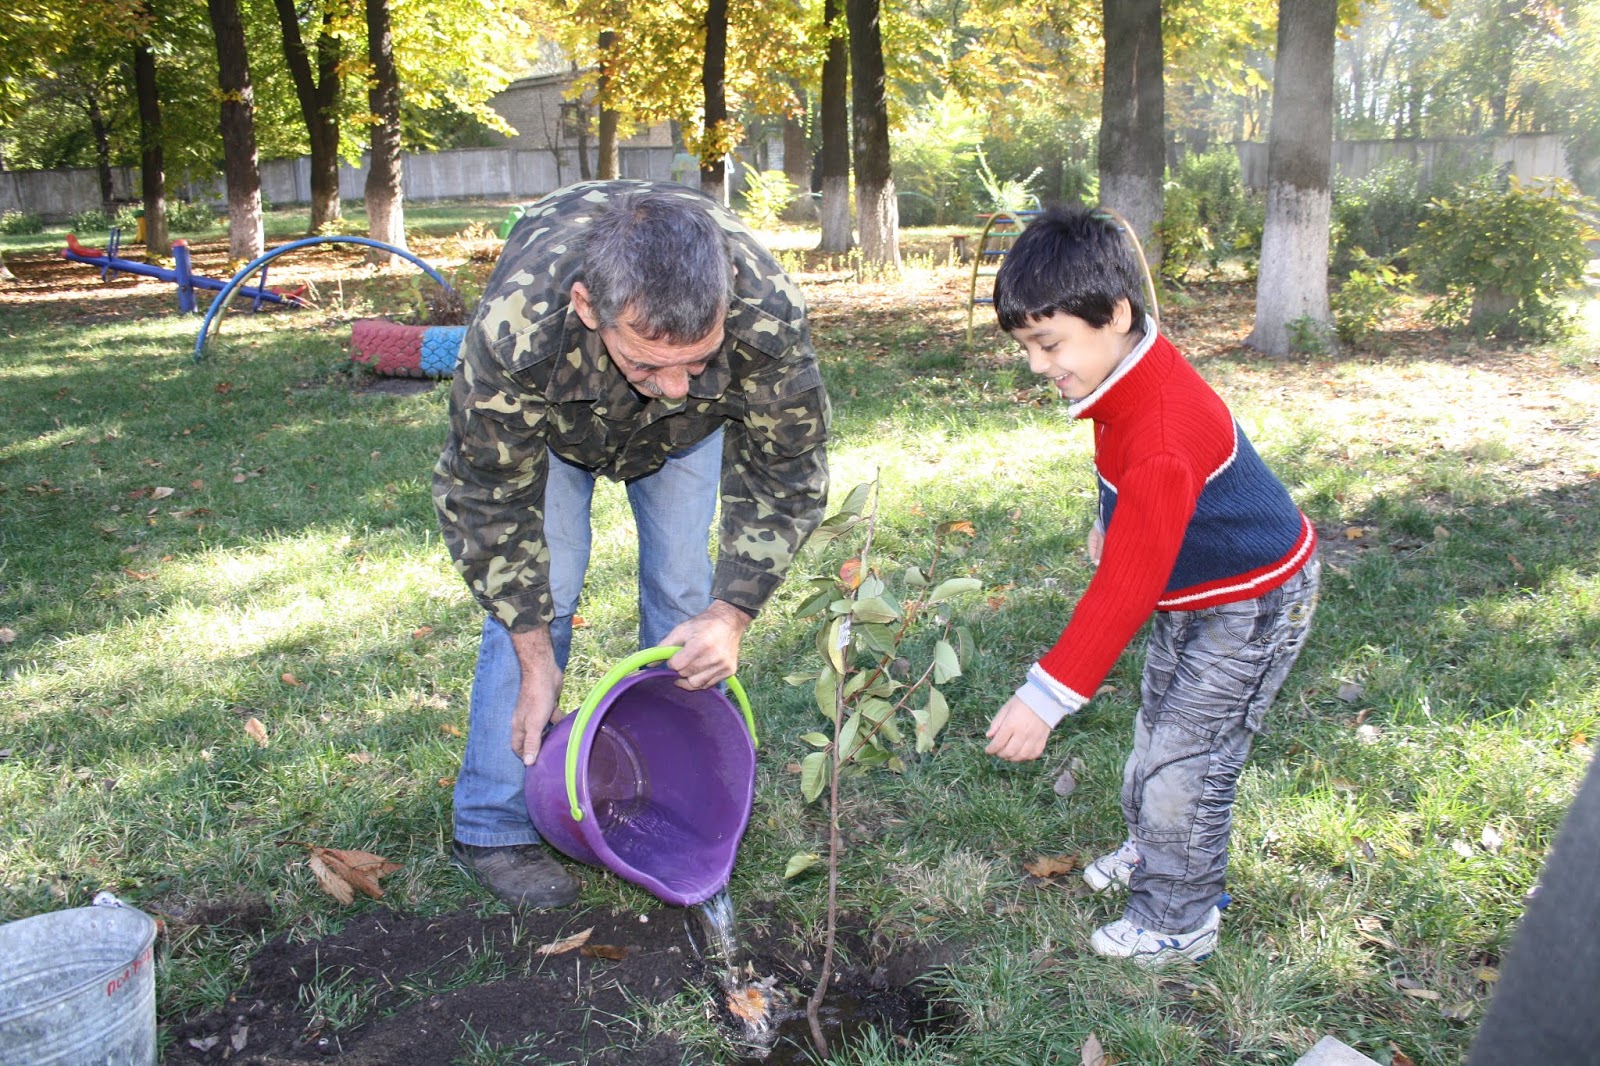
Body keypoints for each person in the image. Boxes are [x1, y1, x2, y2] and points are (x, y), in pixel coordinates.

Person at [433, 180, 830, 909]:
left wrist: (731, 614)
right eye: (648, 364)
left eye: (700, 359)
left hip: (689, 444)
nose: (675, 386)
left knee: (686, 594)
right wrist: (533, 648)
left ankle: (680, 791)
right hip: (553, 426)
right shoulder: (521, 326)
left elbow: (788, 471)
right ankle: (493, 824)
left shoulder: (764, 310)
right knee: (541, 598)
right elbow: (485, 495)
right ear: (589, 307)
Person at [983, 206, 1320, 967]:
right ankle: (1155, 847)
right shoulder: (1125, 368)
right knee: (1159, 733)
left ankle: (1179, 916)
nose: (1039, 365)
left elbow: (1126, 590)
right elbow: (1123, 459)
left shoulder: (1165, 429)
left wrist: (1045, 697)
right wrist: (1113, 514)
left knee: (1188, 762)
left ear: (1116, 314)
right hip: (1201, 591)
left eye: (1047, 344)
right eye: (1028, 347)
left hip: (1253, 604)